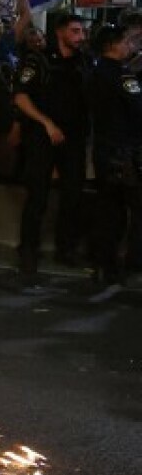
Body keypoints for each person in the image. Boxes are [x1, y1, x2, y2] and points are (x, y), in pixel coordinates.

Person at [13, 14, 91, 279]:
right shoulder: (39, 60)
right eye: (75, 31)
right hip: (42, 136)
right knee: (37, 196)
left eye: (82, 32)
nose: (80, 37)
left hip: (75, 138)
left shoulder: (84, 61)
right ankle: (28, 250)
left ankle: (65, 248)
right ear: (60, 32)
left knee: (73, 194)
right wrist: (46, 123)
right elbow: (21, 97)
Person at [86, 24, 142, 299]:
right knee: (134, 211)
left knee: (108, 209)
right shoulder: (122, 76)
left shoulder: (95, 73)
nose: (129, 45)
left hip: (104, 151)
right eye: (125, 41)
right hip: (126, 154)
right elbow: (137, 108)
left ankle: (102, 265)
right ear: (113, 45)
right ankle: (130, 266)